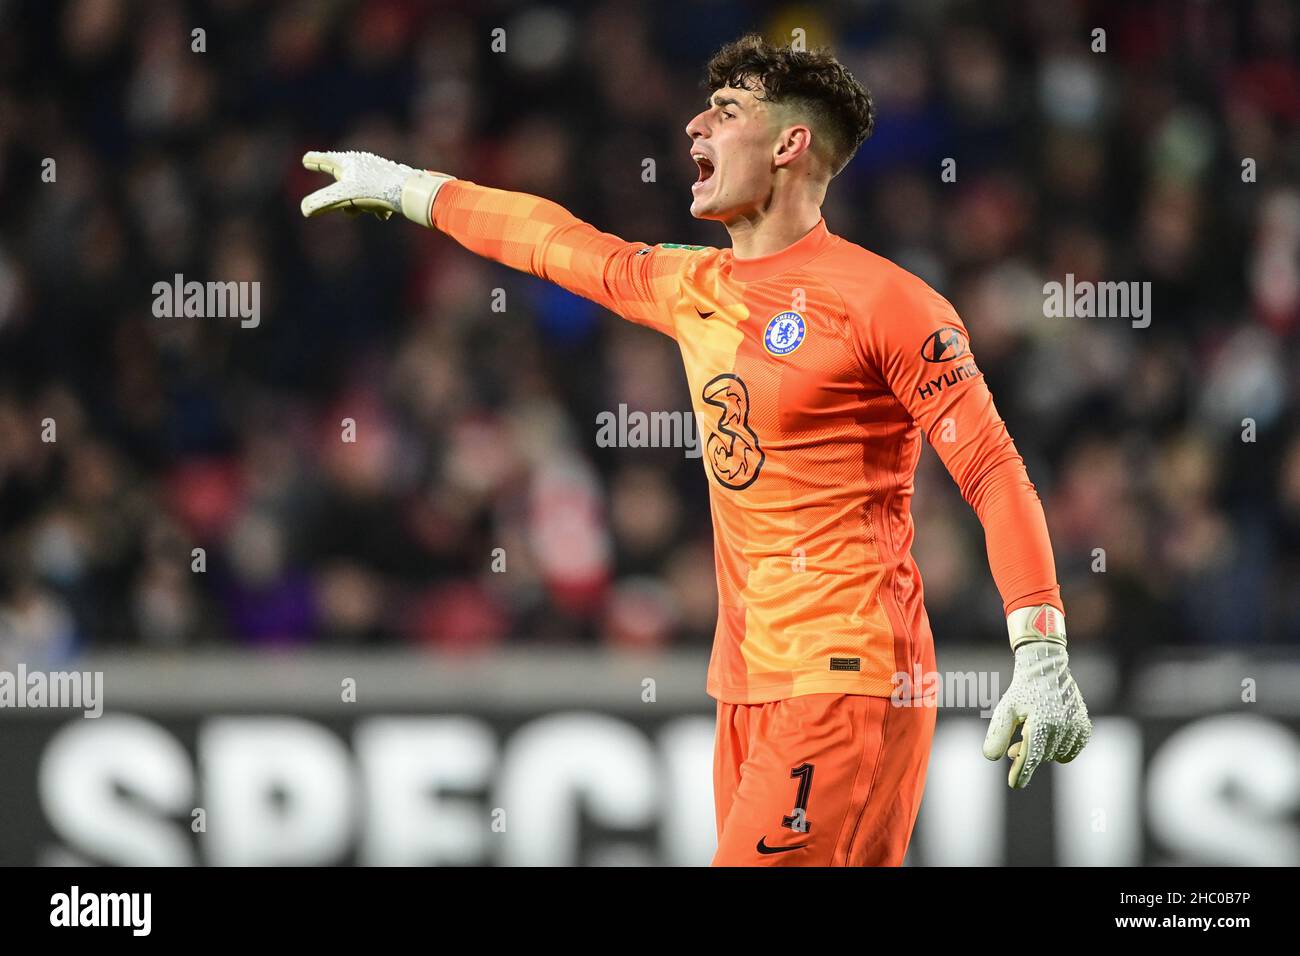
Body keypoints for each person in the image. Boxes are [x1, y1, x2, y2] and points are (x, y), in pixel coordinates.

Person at [300, 33, 1092, 867]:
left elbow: (994, 470)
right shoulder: (692, 286)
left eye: (725, 111)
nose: (693, 128)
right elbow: (554, 241)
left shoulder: (890, 303)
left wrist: (1039, 648)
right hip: (748, 682)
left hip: (846, 672)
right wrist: (414, 188)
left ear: (790, 145)